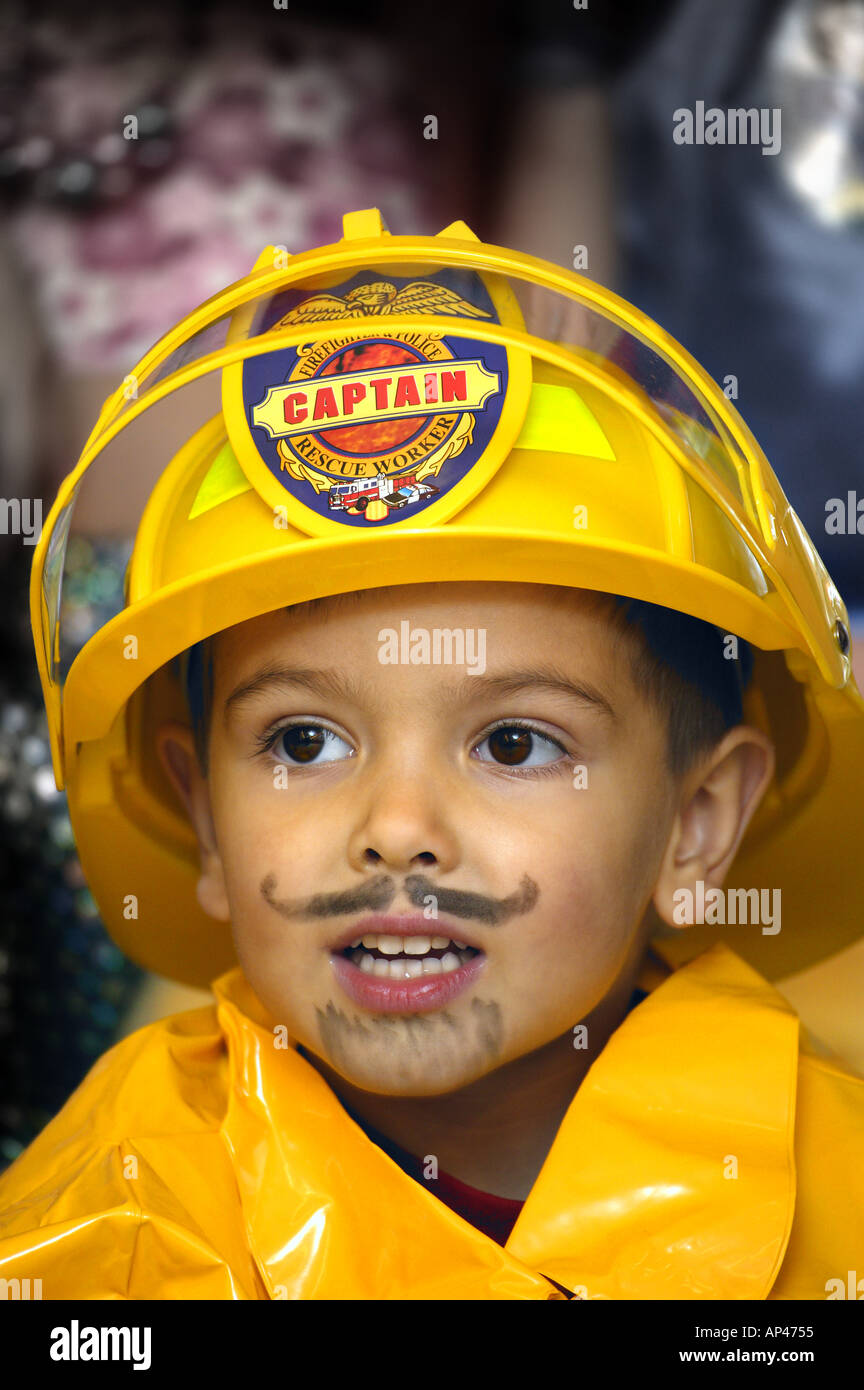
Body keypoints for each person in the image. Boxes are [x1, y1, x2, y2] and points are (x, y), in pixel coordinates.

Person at [0, 208, 861, 1300]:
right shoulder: (114, 1213)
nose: (397, 828)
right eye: (301, 740)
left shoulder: (834, 1193)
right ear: (206, 817)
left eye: (513, 741)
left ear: (696, 824)